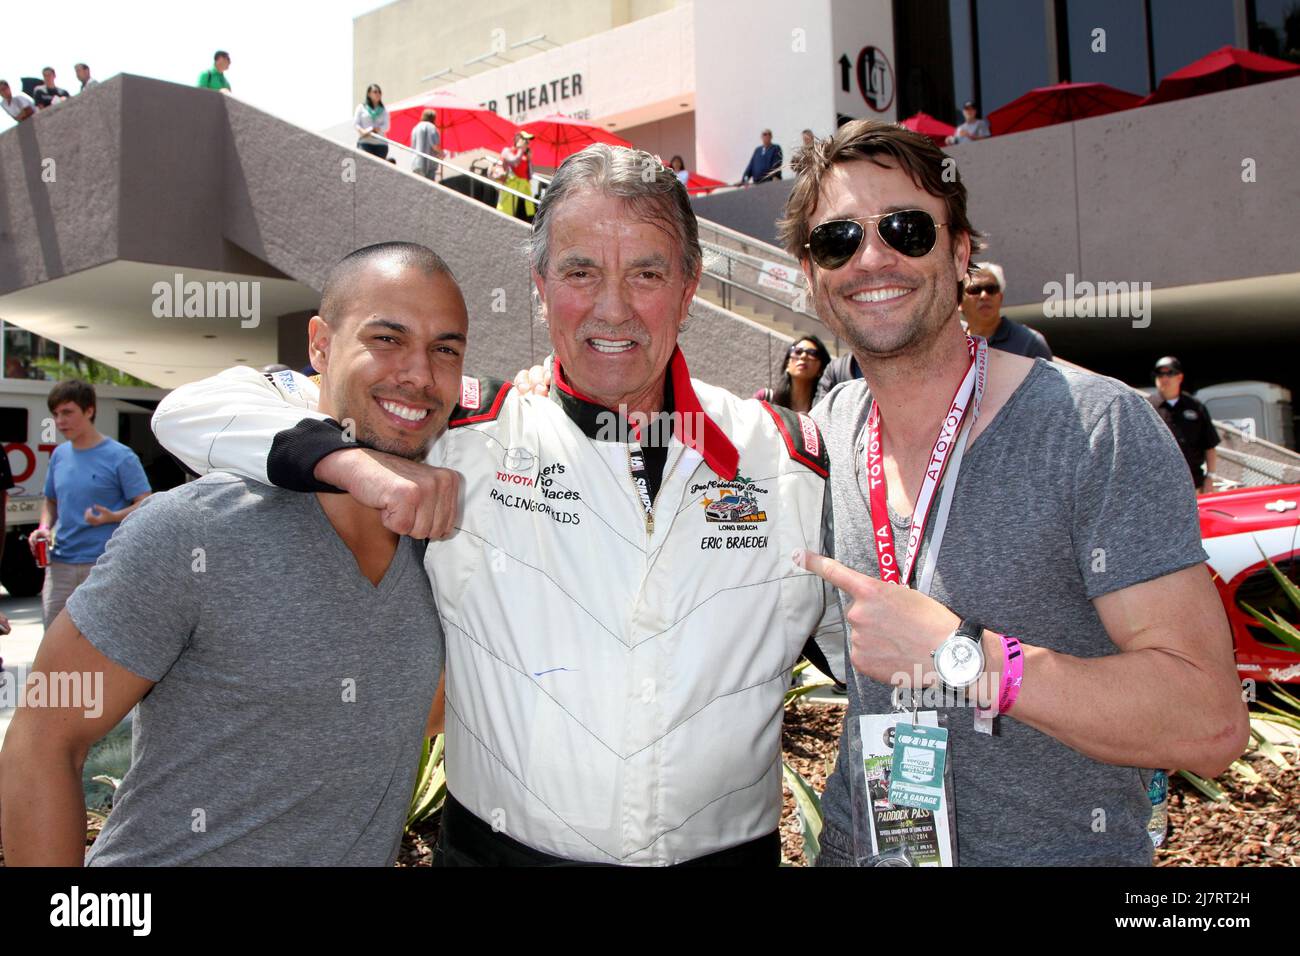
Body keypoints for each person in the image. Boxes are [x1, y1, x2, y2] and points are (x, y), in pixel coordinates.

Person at [151, 142, 844, 867]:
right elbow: (196, 411)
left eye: (646, 272)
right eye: (580, 271)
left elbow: (872, 656)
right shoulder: (464, 431)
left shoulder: (789, 455)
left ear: (690, 285)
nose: (613, 308)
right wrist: (356, 465)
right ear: (540, 287)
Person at [779, 119, 1247, 866]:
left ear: (962, 253)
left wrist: (962, 658)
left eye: (907, 229)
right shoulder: (827, 432)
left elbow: (1208, 721)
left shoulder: (1093, 426)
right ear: (811, 274)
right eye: (838, 239)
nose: (873, 257)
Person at [0, 244, 456, 866]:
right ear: (320, 346)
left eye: (445, 349)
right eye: (387, 338)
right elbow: (43, 740)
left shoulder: (444, 555)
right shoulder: (194, 529)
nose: (420, 374)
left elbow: (405, 719)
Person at [30, 381, 152, 631]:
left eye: (67, 412)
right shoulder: (59, 455)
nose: (60, 420)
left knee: (102, 642)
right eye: (55, 414)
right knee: (53, 641)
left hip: (103, 562)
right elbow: (51, 500)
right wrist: (43, 527)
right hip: (60, 563)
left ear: (89, 411)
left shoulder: (121, 456)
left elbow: (146, 502)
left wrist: (113, 516)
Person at [1147, 356, 1220, 493]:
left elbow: (1209, 446)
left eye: (1170, 373)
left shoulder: (1195, 407)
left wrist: (1211, 477)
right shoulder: (1147, 408)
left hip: (1193, 485)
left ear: (1180, 377)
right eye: (1160, 374)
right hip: (1159, 488)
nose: (1164, 378)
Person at [959, 262, 1052, 360]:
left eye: (991, 289)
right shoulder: (952, 343)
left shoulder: (1030, 343)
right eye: (975, 289)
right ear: (959, 302)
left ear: (1000, 298)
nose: (984, 296)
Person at [755, 335, 831, 414]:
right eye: (798, 351)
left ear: (821, 369)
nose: (803, 356)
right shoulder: (765, 399)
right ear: (787, 364)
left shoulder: (824, 408)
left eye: (812, 353)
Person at [496, 131, 537, 223]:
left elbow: (530, 175)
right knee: (506, 215)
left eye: (528, 142)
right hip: (510, 188)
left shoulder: (524, 155)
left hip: (524, 190)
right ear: (518, 140)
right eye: (525, 141)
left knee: (525, 218)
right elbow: (514, 162)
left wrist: (529, 160)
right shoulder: (507, 151)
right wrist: (520, 150)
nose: (527, 144)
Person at [354, 84, 390, 160]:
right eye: (375, 92)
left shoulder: (384, 110)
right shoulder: (361, 107)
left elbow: (386, 127)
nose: (378, 94)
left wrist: (377, 129)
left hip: (381, 144)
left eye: (379, 92)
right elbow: (356, 124)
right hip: (365, 142)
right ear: (369, 94)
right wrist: (364, 131)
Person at [410, 109, 443, 180]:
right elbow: (434, 145)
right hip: (428, 164)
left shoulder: (415, 128)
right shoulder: (431, 127)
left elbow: (412, 146)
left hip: (416, 163)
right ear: (433, 118)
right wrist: (441, 153)